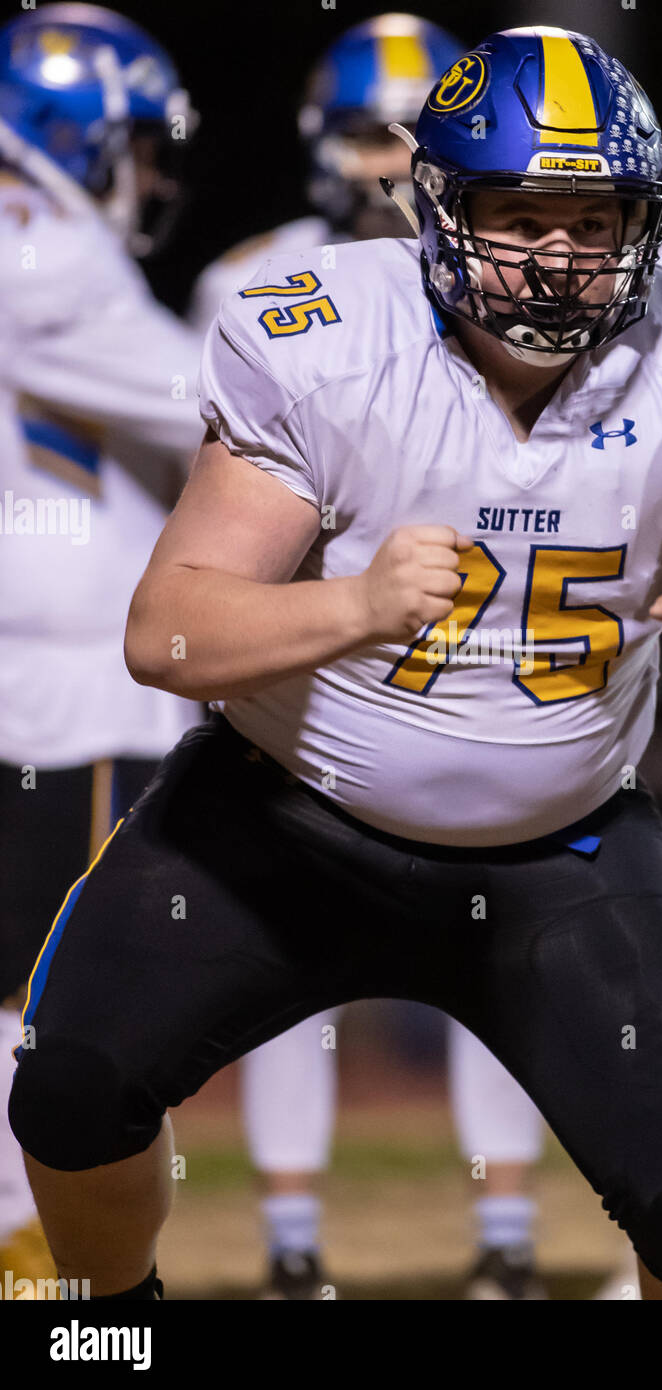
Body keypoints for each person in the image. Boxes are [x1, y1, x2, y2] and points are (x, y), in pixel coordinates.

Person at [9, 24, 662, 1301]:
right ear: (441, 207)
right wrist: (354, 609)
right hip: (285, 826)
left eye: (599, 219)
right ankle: (111, 1321)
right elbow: (165, 632)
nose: (563, 257)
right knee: (67, 1092)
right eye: (523, 214)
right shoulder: (328, 334)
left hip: (564, 857)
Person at [191, 13, 549, 1302]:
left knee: (505, 951)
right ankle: (291, 1237)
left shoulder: (523, 277)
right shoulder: (259, 281)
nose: (386, 162)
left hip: (484, 660)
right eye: (363, 130)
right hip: (306, 667)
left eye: (412, 134)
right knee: (289, 970)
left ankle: (507, 1235)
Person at [0, 3, 202, 1285]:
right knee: (68, 1001)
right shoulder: (44, 245)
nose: (150, 172)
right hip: (74, 675)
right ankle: (52, 1266)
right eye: (133, 141)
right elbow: (220, 405)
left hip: (44, 660)